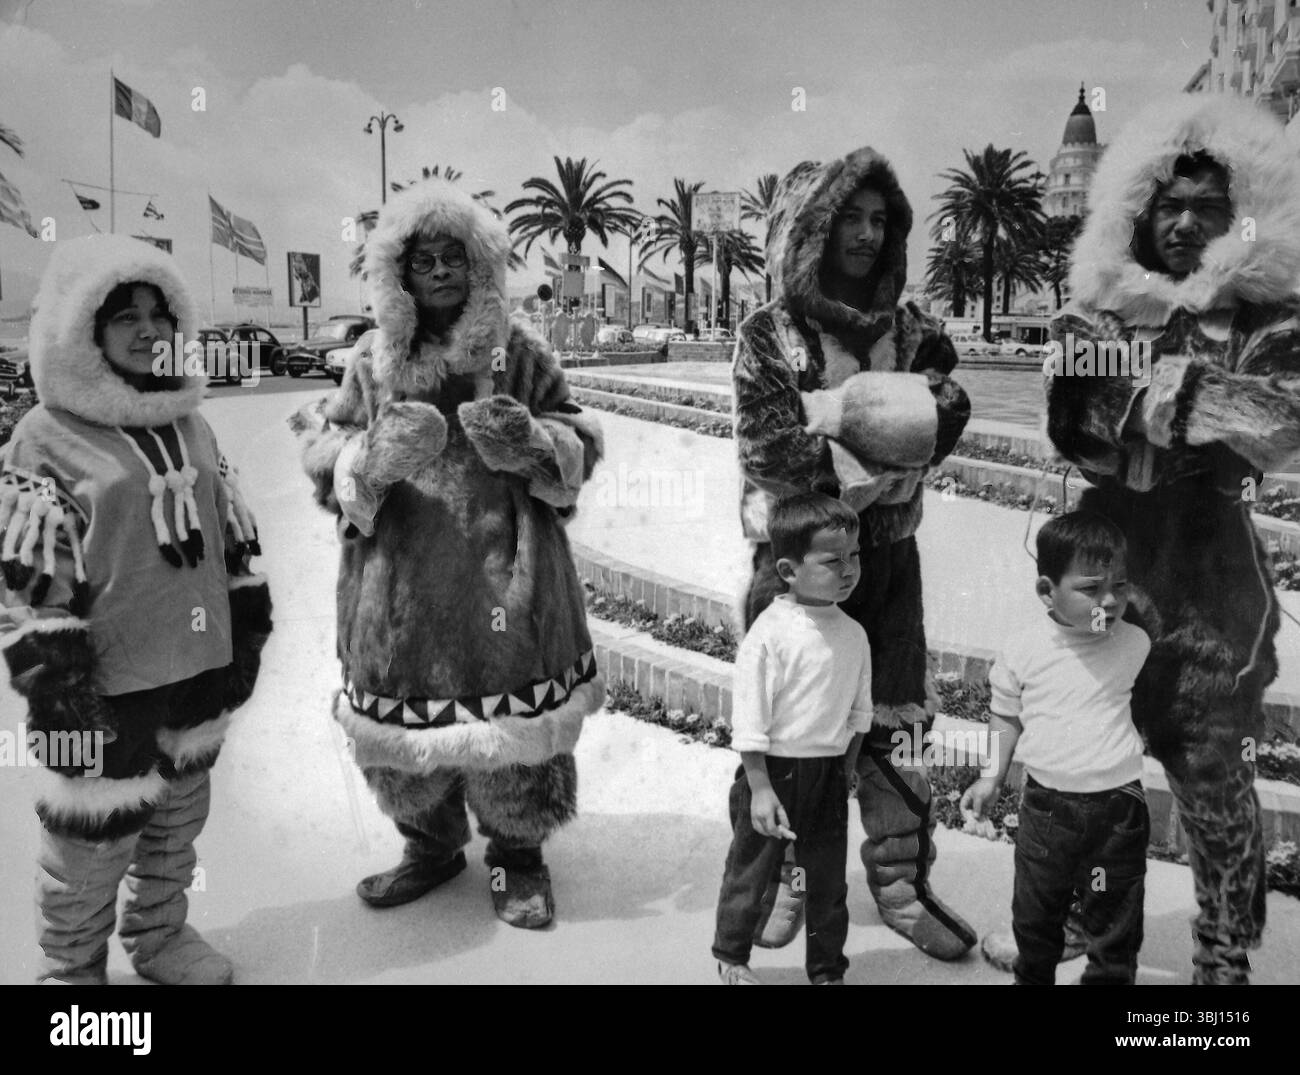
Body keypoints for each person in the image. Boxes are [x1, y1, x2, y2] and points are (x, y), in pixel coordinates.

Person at [292, 179, 604, 929]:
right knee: (405, 745)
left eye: (452, 257)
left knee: (516, 737)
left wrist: (532, 442)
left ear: (480, 265)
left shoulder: (516, 351)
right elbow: (321, 446)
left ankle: (517, 856)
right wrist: (366, 457)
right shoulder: (370, 361)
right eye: (422, 259)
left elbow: (580, 434)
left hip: (507, 576)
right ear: (395, 273)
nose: (438, 272)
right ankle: (428, 848)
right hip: (397, 588)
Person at [1042, 95, 1300, 984]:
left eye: (1210, 208)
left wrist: (1156, 401)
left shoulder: (1269, 313)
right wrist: (1192, 406)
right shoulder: (1100, 305)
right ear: (1136, 212)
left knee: (1212, 775)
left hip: (1213, 581)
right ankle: (1086, 919)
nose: (1187, 224)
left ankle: (1225, 953)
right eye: (1169, 205)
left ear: (1242, 217)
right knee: (1083, 755)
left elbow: (1278, 422)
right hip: (1105, 566)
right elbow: (1076, 416)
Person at [0, 234, 271, 984]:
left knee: (177, 818)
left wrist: (246, 626)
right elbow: (27, 579)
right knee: (90, 835)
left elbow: (231, 535)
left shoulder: (192, 422)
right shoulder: (43, 435)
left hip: (196, 666)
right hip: (103, 686)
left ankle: (159, 937)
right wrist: (60, 687)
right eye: (127, 315)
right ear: (82, 329)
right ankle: (72, 969)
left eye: (161, 313)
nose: (150, 330)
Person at [731, 147, 976, 959]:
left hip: (889, 570)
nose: (868, 235)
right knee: (794, 730)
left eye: (882, 220)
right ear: (813, 229)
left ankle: (903, 885)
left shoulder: (914, 331)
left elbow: (947, 414)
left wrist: (837, 417)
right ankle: (786, 884)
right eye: (851, 219)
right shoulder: (767, 334)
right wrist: (883, 444)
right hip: (794, 577)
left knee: (900, 723)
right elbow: (770, 449)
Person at [962, 512, 1150, 985]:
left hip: (1119, 809)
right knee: (1036, 913)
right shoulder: (1026, 648)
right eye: (1090, 589)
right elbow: (1006, 715)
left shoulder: (1136, 643)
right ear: (1048, 591)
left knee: (1114, 920)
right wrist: (991, 776)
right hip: (1048, 810)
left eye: (1121, 586)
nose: (1109, 600)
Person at [713, 492, 871, 985]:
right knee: (751, 871)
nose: (848, 570)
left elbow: (858, 715)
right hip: (773, 772)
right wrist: (759, 786)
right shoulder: (771, 634)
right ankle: (732, 956)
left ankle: (827, 969)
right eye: (832, 560)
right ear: (788, 569)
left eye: (855, 556)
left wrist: (845, 772)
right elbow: (751, 718)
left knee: (827, 883)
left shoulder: (854, 634)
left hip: (826, 776)